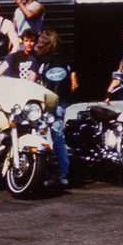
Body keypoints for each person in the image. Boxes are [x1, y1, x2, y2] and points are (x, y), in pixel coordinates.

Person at [33, 29, 77, 187]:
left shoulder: (41, 59)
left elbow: (36, 81)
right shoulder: (66, 58)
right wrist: (64, 98)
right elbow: (74, 83)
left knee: (40, 137)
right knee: (59, 138)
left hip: (44, 102)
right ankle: (63, 173)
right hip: (60, 102)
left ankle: (41, 173)